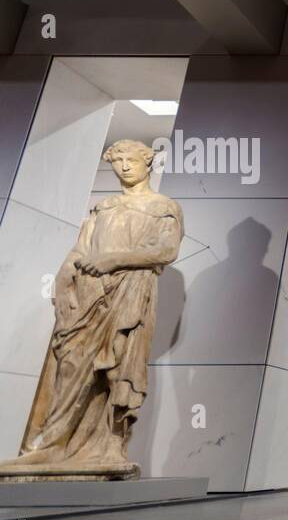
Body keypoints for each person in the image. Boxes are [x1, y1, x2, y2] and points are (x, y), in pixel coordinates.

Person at [0, 139, 182, 480]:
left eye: (131, 159)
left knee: (120, 372)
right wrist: (64, 284)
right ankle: (51, 445)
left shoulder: (163, 206)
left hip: (131, 292)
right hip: (89, 296)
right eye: (117, 160)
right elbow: (78, 252)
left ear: (148, 163)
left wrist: (112, 260)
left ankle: (112, 446)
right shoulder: (105, 207)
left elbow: (165, 250)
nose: (124, 166)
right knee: (70, 364)